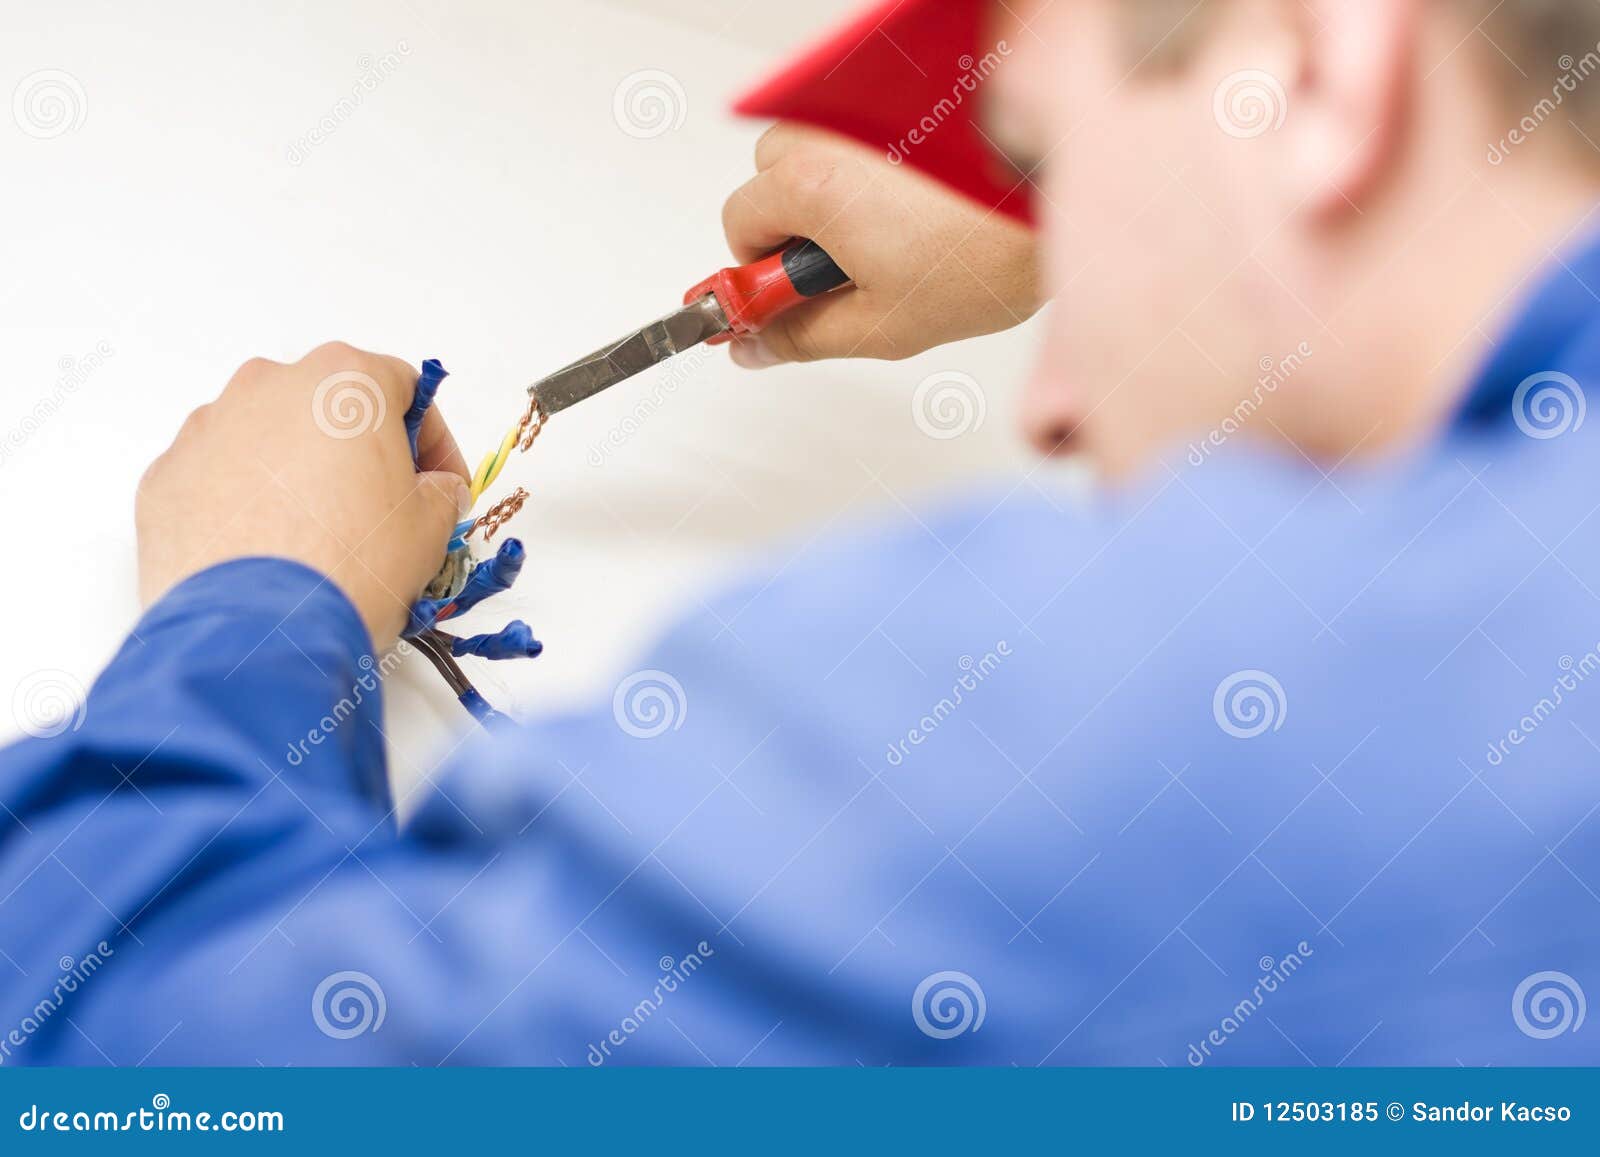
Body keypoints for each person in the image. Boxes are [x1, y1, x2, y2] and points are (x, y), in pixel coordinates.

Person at [2, 0, 1598, 1066]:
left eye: (1042, 157)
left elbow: (118, 1062)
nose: (1047, 411)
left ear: (1322, 72)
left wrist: (246, 604)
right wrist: (1121, 166)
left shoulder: (1099, 721)